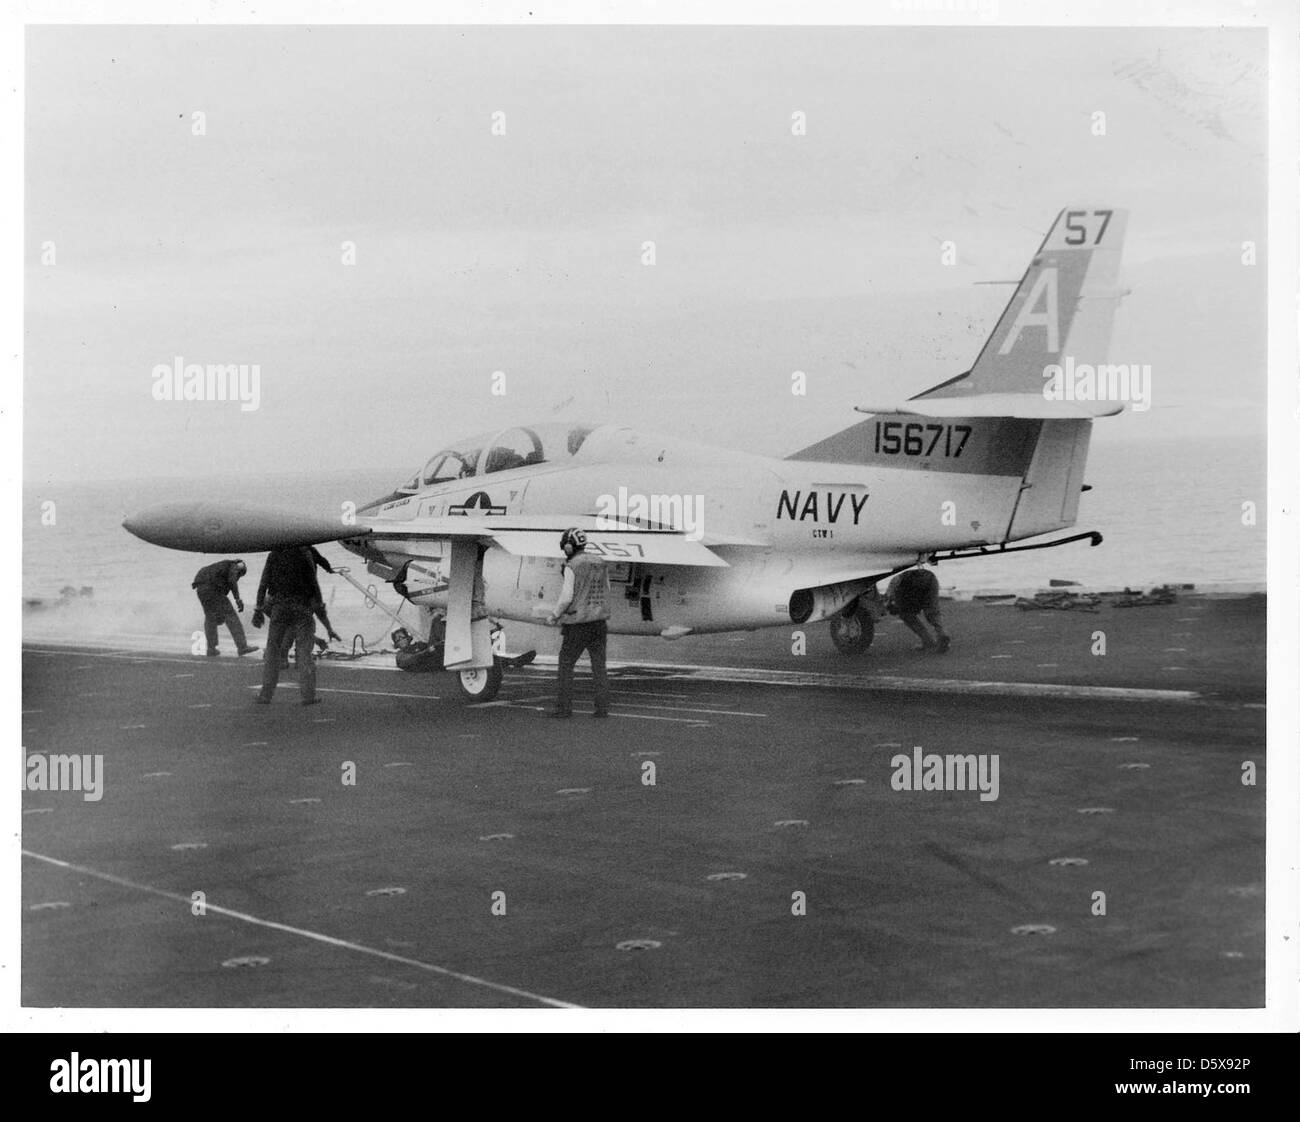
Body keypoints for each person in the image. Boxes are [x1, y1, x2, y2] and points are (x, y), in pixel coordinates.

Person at [251, 546, 342, 706]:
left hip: (279, 606)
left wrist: (258, 608)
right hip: (302, 607)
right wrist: (328, 626)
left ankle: (265, 695)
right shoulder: (305, 552)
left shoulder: (275, 553)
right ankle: (308, 697)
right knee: (304, 653)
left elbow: (263, 583)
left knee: (272, 651)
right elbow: (314, 585)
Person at [545, 527, 611, 718]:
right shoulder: (601, 562)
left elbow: (566, 597)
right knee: (599, 667)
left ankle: (564, 709)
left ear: (568, 546)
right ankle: (601, 709)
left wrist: (554, 615)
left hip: (577, 624)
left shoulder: (572, 566)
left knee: (566, 666)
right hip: (599, 624)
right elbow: (607, 588)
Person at [277, 546, 335, 667]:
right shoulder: (308, 551)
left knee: (292, 626)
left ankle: (289, 658)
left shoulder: (284, 551)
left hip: (284, 595)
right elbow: (321, 562)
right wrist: (329, 569)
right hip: (302, 594)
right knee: (301, 626)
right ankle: (298, 658)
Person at [191, 559, 258, 657]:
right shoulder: (237, 565)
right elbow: (232, 580)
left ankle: (211, 648)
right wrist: (237, 599)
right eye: (239, 576)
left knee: (210, 617)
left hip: (201, 589)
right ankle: (242, 646)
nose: (238, 578)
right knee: (231, 616)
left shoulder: (221, 566)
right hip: (212, 588)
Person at [887, 567, 950, 653]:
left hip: (910, 582)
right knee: (932, 611)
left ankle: (927, 641)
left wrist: (891, 603)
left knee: (906, 615)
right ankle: (942, 633)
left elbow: (893, 587)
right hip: (929, 577)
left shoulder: (896, 583)